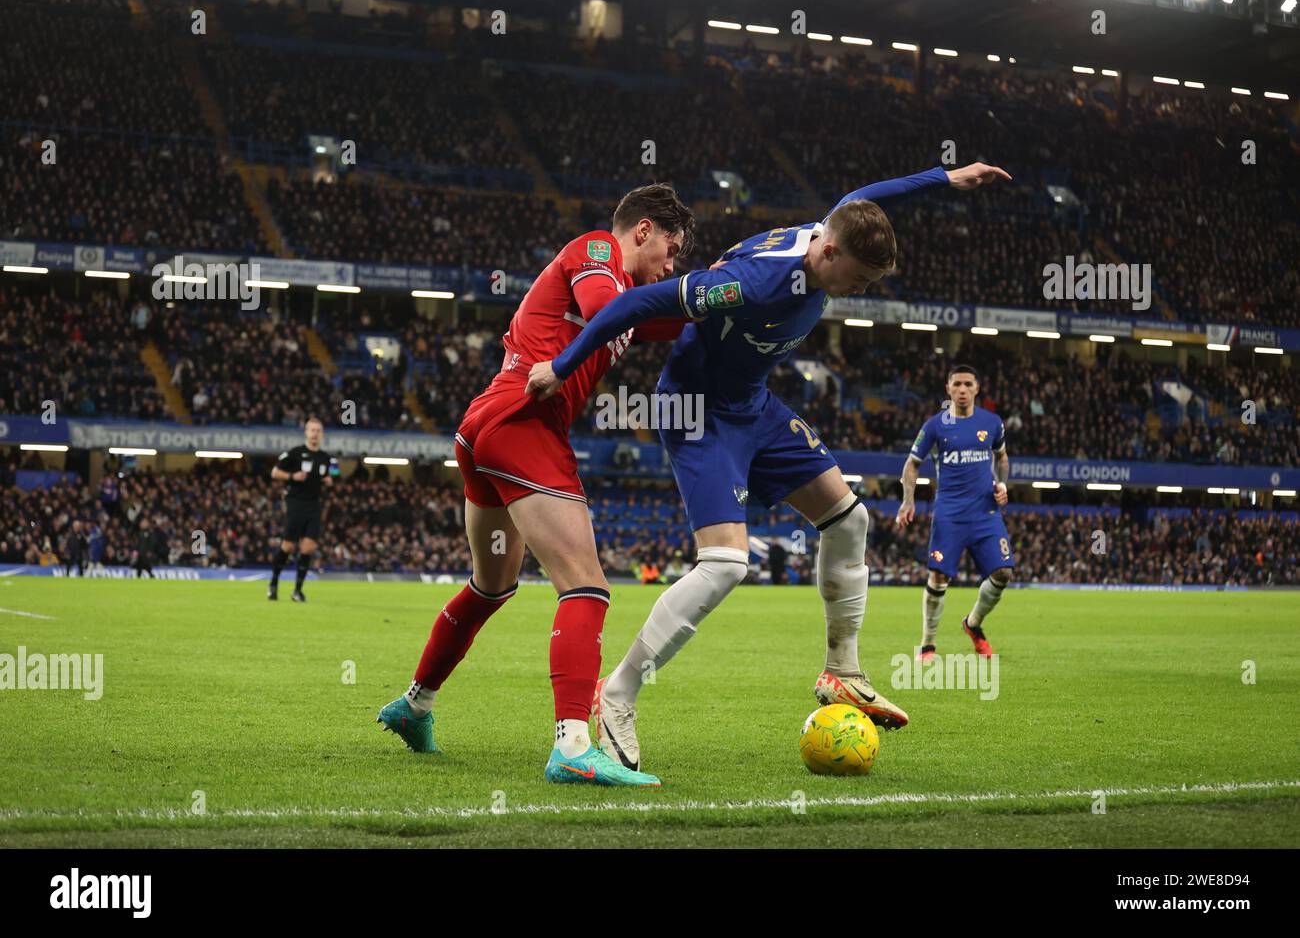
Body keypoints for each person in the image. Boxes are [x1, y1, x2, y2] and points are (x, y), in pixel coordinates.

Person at [529, 162, 1010, 772]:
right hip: (697, 409)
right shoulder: (751, 283)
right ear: (828, 251)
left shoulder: (833, 230)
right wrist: (564, 365)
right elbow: (641, 302)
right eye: (857, 278)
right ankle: (618, 694)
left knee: (849, 522)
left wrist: (948, 178)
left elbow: (869, 193)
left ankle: (842, 672)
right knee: (727, 564)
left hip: (752, 406)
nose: (857, 290)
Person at [376, 183, 694, 788]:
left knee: (492, 585)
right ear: (644, 231)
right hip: (523, 422)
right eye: (671, 250)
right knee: (587, 587)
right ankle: (573, 744)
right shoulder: (598, 251)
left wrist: (729, 296)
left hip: (487, 430)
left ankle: (415, 704)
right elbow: (608, 309)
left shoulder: (630, 293)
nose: (671, 265)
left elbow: (671, 316)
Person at [897, 365, 1014, 659]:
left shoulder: (993, 423)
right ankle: (927, 644)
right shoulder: (935, 426)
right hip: (949, 514)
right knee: (938, 578)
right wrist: (908, 500)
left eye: (968, 384)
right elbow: (911, 464)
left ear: (977, 388)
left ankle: (973, 625)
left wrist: (1002, 484)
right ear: (948, 388)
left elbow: (1002, 458)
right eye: (957, 384)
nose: (962, 390)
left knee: (1003, 573)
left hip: (986, 513)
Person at [268, 417, 336, 602]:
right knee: (288, 546)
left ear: (321, 434)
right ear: (306, 432)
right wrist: (292, 475)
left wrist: (329, 480)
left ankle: (297, 590)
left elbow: (333, 474)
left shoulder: (325, 457)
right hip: (296, 503)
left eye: (318, 430)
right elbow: (274, 472)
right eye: (311, 430)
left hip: (314, 505)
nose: (314, 434)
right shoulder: (295, 453)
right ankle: (273, 584)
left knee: (308, 547)